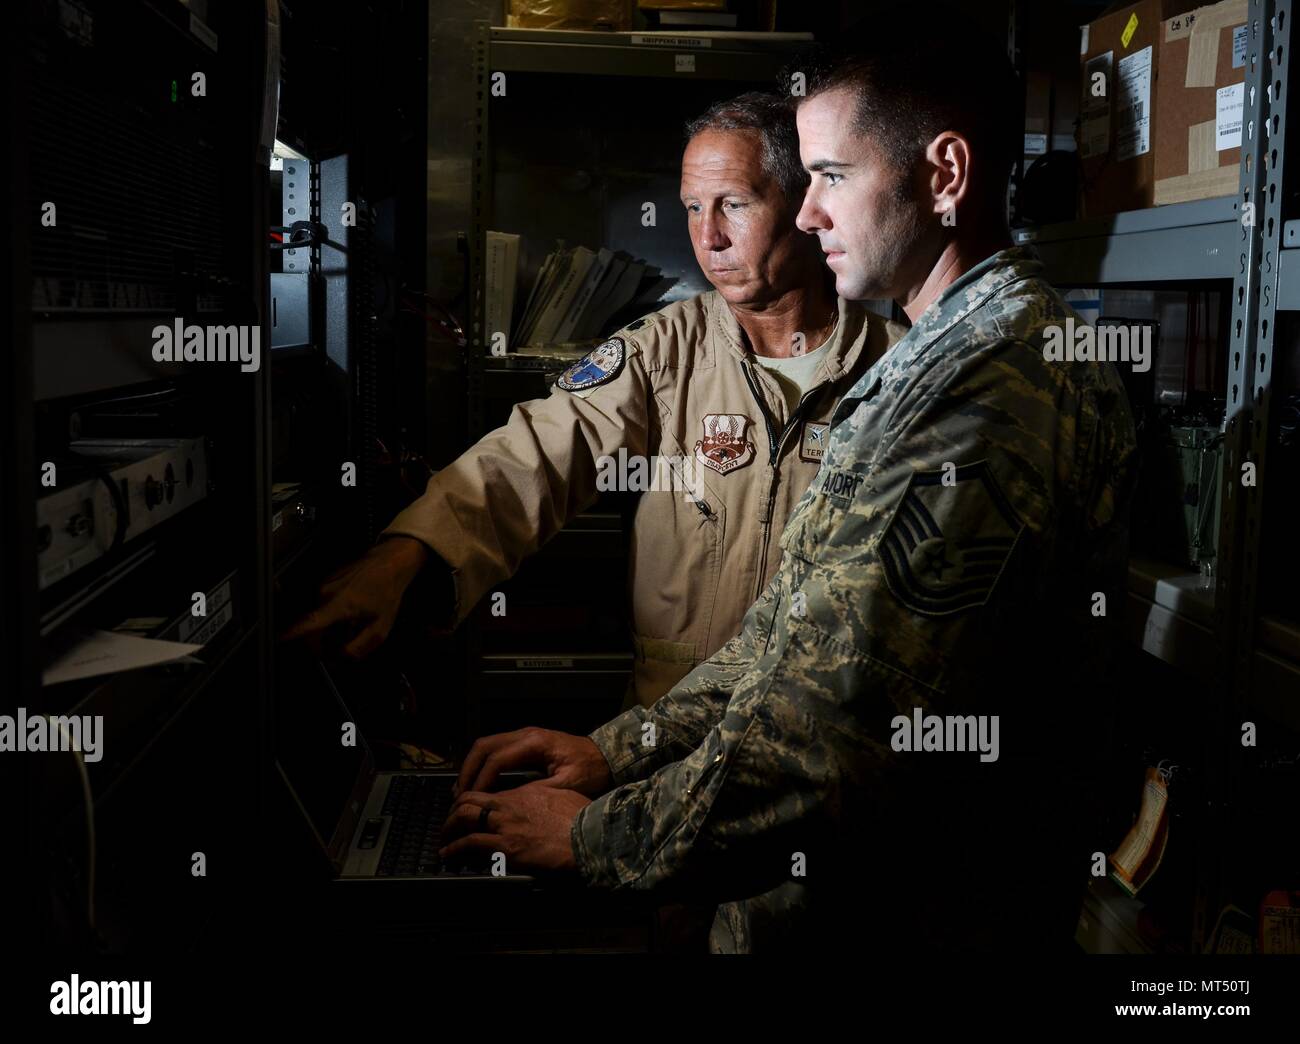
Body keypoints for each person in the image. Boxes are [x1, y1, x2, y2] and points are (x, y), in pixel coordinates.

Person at [441, 15, 1140, 953]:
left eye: (832, 178)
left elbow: (838, 735)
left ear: (944, 175)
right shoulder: (937, 364)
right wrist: (620, 750)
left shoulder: (989, 388)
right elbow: (791, 638)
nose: (809, 215)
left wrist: (596, 835)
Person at [282, 91, 902, 711]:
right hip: (668, 734)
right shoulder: (664, 350)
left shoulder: (901, 366)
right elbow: (536, 452)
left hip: (824, 734)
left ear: (803, 205)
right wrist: (412, 549)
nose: (707, 237)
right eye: (691, 208)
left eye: (733, 205)